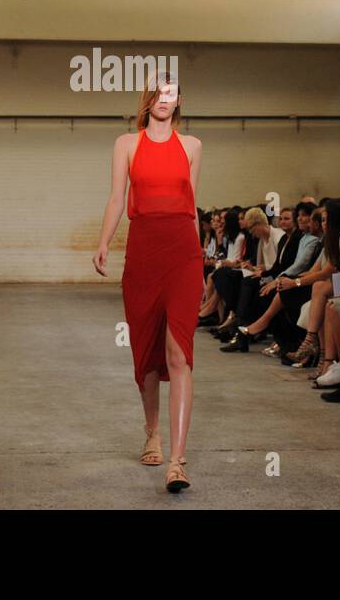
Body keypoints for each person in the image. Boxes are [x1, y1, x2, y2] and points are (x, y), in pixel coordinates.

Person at [93, 71, 203, 493]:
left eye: (171, 94)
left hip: (182, 254)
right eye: (158, 93)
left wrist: (201, 262)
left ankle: (177, 460)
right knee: (148, 354)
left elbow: (192, 205)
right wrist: (103, 242)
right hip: (142, 253)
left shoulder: (192, 146)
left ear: (178, 102)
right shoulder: (127, 144)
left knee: (179, 352)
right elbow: (117, 198)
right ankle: (152, 432)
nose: (164, 100)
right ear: (148, 99)